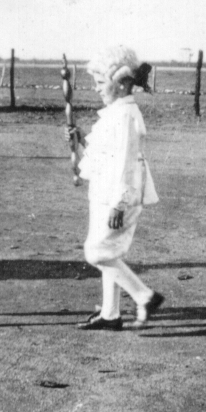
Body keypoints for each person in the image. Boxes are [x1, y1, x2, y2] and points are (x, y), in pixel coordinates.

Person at [68, 45, 163, 330]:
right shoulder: (116, 113)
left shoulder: (125, 116)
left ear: (121, 84)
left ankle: (144, 296)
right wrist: (79, 142)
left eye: (100, 82)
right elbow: (102, 158)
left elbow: (125, 163)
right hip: (104, 192)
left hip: (119, 195)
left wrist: (118, 204)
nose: (96, 88)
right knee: (110, 252)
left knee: (97, 252)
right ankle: (110, 313)